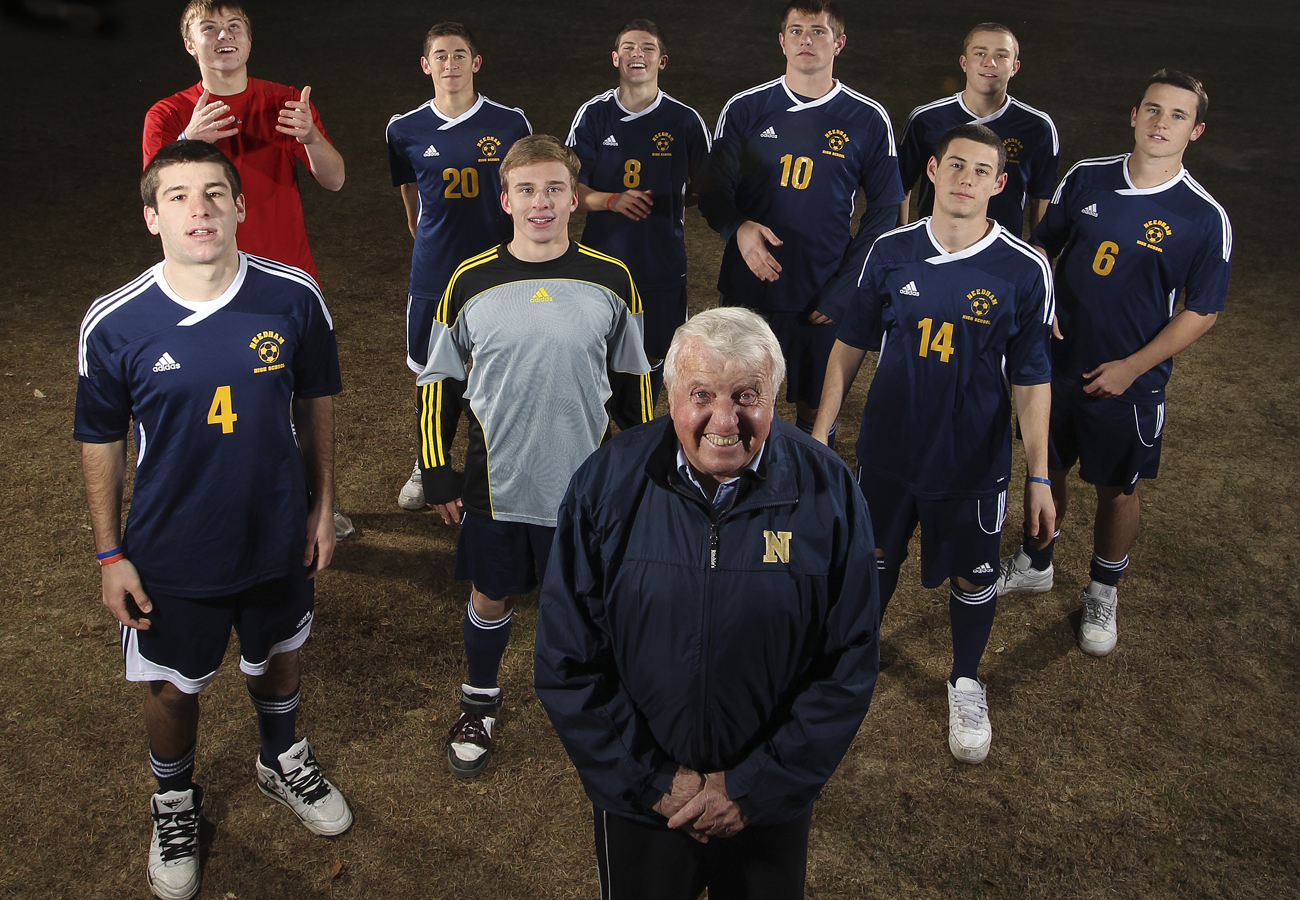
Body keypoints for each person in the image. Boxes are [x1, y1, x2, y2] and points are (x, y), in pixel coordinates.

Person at [75, 141, 351, 900]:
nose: (198, 209)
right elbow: (100, 440)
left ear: (239, 206)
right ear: (151, 217)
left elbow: (315, 403)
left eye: (213, 193)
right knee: (172, 688)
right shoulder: (115, 322)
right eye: (178, 197)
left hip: (277, 534)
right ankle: (173, 802)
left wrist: (322, 508)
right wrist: (110, 555)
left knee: (278, 655)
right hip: (173, 548)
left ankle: (279, 755)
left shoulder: (293, 297)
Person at [536, 307, 880, 900]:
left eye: (747, 395)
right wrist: (653, 779)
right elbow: (568, 659)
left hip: (767, 806)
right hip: (648, 807)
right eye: (702, 395)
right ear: (670, 395)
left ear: (774, 395)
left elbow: (848, 664)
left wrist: (752, 786)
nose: (724, 420)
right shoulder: (605, 486)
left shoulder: (829, 492)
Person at [813, 124, 1055, 764]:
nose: (966, 179)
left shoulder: (1024, 268)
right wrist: (821, 430)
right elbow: (850, 347)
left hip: (972, 462)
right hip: (889, 453)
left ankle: (967, 678)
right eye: (956, 165)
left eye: (981, 171)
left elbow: (1031, 377)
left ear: (999, 185)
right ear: (933, 168)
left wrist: (1039, 475)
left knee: (974, 576)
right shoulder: (890, 251)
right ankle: (855, 650)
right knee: (873, 560)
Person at [417, 134, 653, 778]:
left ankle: (598, 701)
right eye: (527, 190)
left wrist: (650, 467)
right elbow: (438, 381)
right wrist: (436, 468)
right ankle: (480, 699)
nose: (541, 202)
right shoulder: (469, 280)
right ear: (505, 199)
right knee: (492, 595)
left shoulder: (613, 278)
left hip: (585, 487)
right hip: (499, 485)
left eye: (554, 189)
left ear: (575, 199)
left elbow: (634, 382)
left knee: (586, 601)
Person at [996, 70, 1231, 658]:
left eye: (1177, 116)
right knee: (1044, 468)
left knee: (1116, 488)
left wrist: (1132, 366)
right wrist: (1044, 297)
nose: (1161, 123)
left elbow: (1202, 310)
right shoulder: (1087, 177)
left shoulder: (1204, 217)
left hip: (1127, 382)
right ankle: (1038, 561)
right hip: (1054, 364)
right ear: (1133, 114)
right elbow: (1043, 243)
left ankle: (1103, 587)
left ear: (1195, 131)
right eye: (1153, 110)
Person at [142, 1, 353, 539]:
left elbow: (334, 180)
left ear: (250, 40)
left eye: (234, 26)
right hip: (207, 288)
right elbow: (154, 202)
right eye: (208, 28)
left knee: (300, 399)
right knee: (224, 401)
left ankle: (313, 504)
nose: (224, 36)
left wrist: (310, 137)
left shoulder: (284, 102)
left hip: (286, 281)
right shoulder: (168, 116)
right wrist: (191, 142)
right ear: (191, 44)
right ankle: (223, 508)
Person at [697, 0, 903, 444]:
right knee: (740, 403)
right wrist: (739, 228)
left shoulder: (867, 118)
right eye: (796, 31)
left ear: (839, 43)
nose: (805, 40)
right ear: (782, 41)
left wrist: (844, 290)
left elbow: (886, 210)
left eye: (818, 31)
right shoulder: (746, 108)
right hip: (749, 287)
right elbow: (713, 191)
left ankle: (805, 494)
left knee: (815, 417)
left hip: (820, 293)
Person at [388, 21, 532, 511]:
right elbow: (409, 190)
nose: (451, 64)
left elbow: (524, 185)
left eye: (460, 55)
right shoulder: (403, 128)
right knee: (433, 374)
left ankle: (498, 458)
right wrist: (419, 228)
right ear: (427, 66)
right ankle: (427, 463)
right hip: (434, 272)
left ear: (476, 62)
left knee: (499, 366)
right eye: (441, 56)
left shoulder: (511, 123)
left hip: (497, 269)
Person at [565, 17, 711, 405]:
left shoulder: (685, 120)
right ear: (615, 58)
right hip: (602, 260)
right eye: (629, 47)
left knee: (656, 357)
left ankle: (644, 438)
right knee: (596, 354)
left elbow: (705, 188)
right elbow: (569, 186)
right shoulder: (593, 116)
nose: (637, 54)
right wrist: (611, 200)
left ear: (662, 61)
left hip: (661, 263)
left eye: (647, 48)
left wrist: (674, 201)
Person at [896, 22, 1058, 237]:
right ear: (964, 62)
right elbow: (900, 188)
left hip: (1001, 255)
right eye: (980, 53)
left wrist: (1039, 252)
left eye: (1001, 56)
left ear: (1015, 67)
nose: (989, 62)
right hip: (934, 246)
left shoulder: (1038, 126)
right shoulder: (926, 119)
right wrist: (901, 241)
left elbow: (1041, 198)